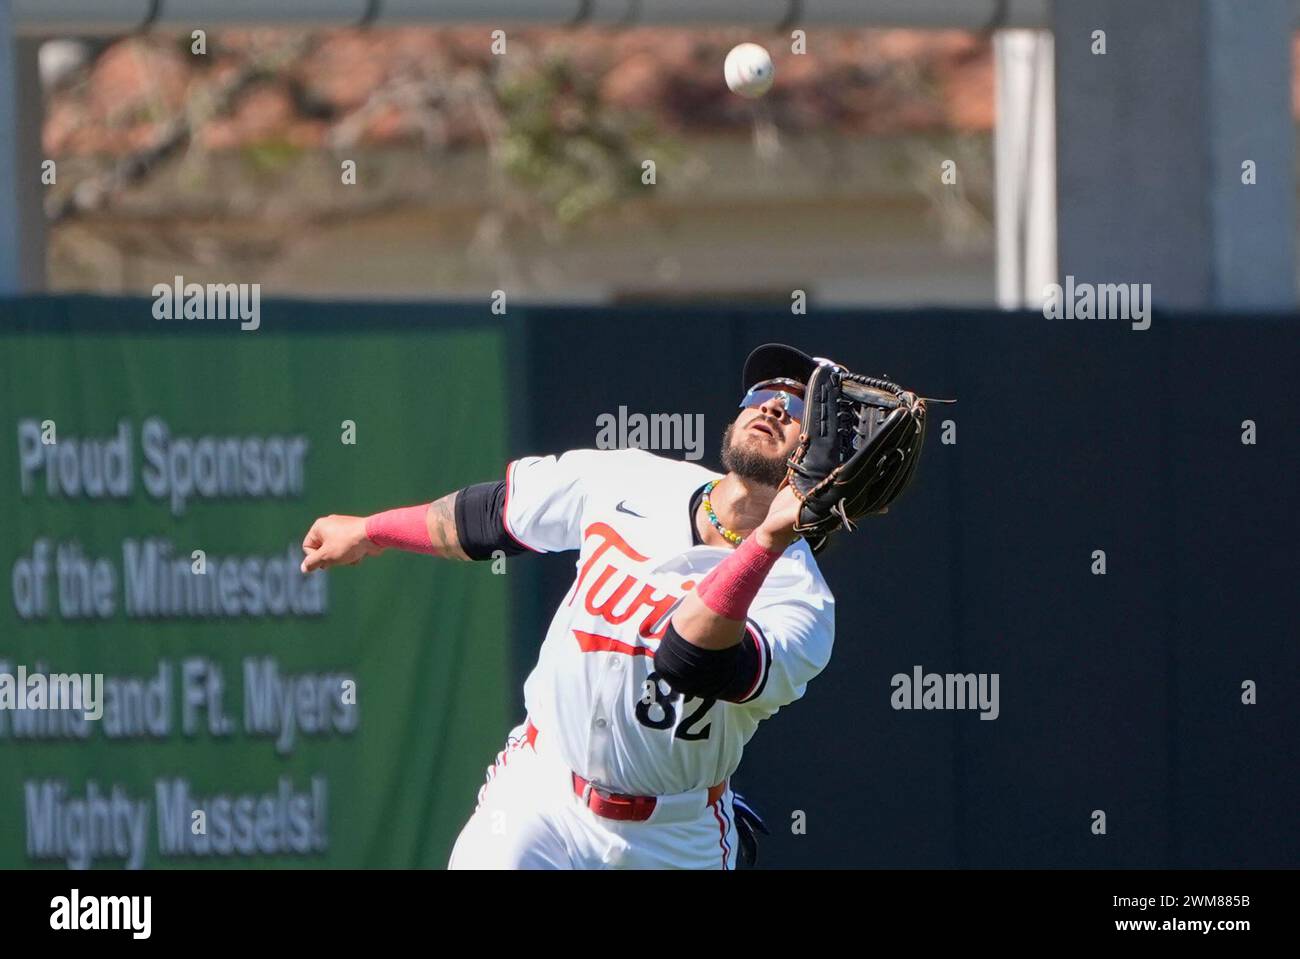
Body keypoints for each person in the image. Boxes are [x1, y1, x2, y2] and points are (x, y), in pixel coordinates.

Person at [299, 343, 835, 869]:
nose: (770, 406)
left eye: (794, 409)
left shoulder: (798, 599)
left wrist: (766, 541)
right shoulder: (632, 477)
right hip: (542, 794)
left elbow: (694, 658)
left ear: (821, 459)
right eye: (763, 392)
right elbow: (491, 517)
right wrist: (371, 531)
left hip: (671, 836)